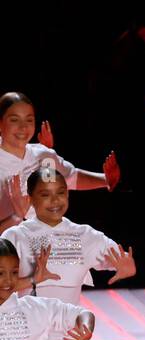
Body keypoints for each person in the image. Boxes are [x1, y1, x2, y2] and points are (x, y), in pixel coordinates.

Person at [2, 168, 136, 306]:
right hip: (25, 325)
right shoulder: (15, 237)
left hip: (67, 324)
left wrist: (129, 267)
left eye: (60, 192)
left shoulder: (85, 235)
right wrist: (33, 280)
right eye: (45, 195)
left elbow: (124, 263)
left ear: (67, 194)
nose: (55, 200)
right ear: (31, 199)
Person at [0, 92, 117, 231]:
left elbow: (72, 177)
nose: (23, 127)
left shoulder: (44, 154)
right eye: (14, 120)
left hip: (52, 241)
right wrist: (17, 217)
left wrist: (106, 180)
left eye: (29, 120)